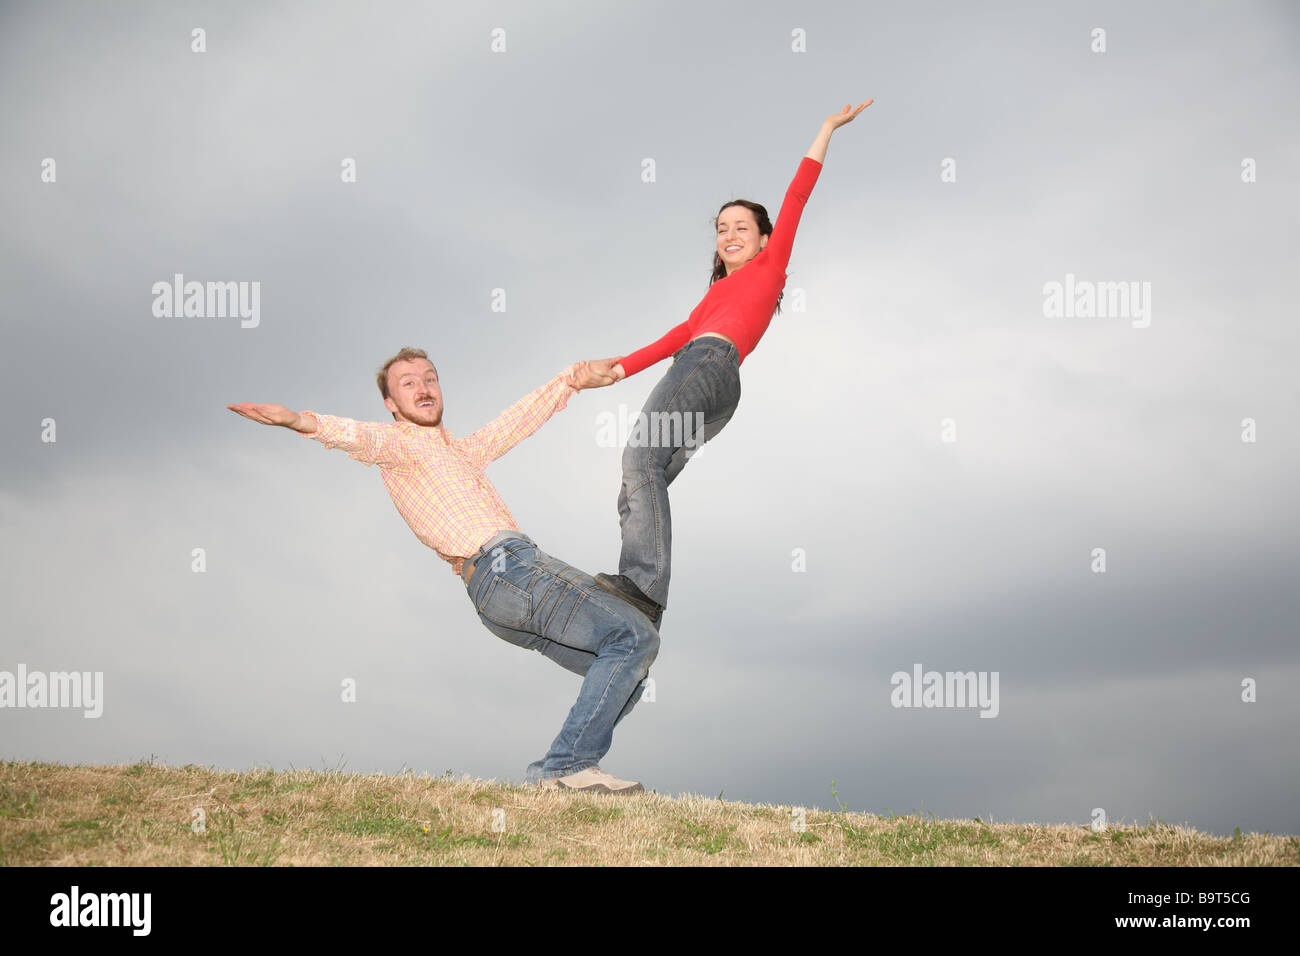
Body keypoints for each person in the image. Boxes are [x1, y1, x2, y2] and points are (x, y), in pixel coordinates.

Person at [227, 349, 658, 794]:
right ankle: (565, 767)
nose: (423, 386)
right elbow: (359, 436)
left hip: (498, 597)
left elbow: (514, 421)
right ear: (392, 405)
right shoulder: (400, 443)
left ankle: (567, 769)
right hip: (507, 567)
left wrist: (571, 379)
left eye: (429, 378)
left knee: (630, 667)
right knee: (635, 636)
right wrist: (300, 421)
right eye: (408, 383)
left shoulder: (463, 451)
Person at [594, 100, 874, 628]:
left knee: (639, 459)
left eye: (741, 226)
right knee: (635, 485)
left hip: (708, 366)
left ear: (764, 238)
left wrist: (827, 128)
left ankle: (644, 588)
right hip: (718, 386)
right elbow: (675, 335)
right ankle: (634, 612)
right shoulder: (713, 298)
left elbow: (796, 195)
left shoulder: (770, 265)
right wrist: (617, 371)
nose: (729, 235)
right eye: (722, 229)